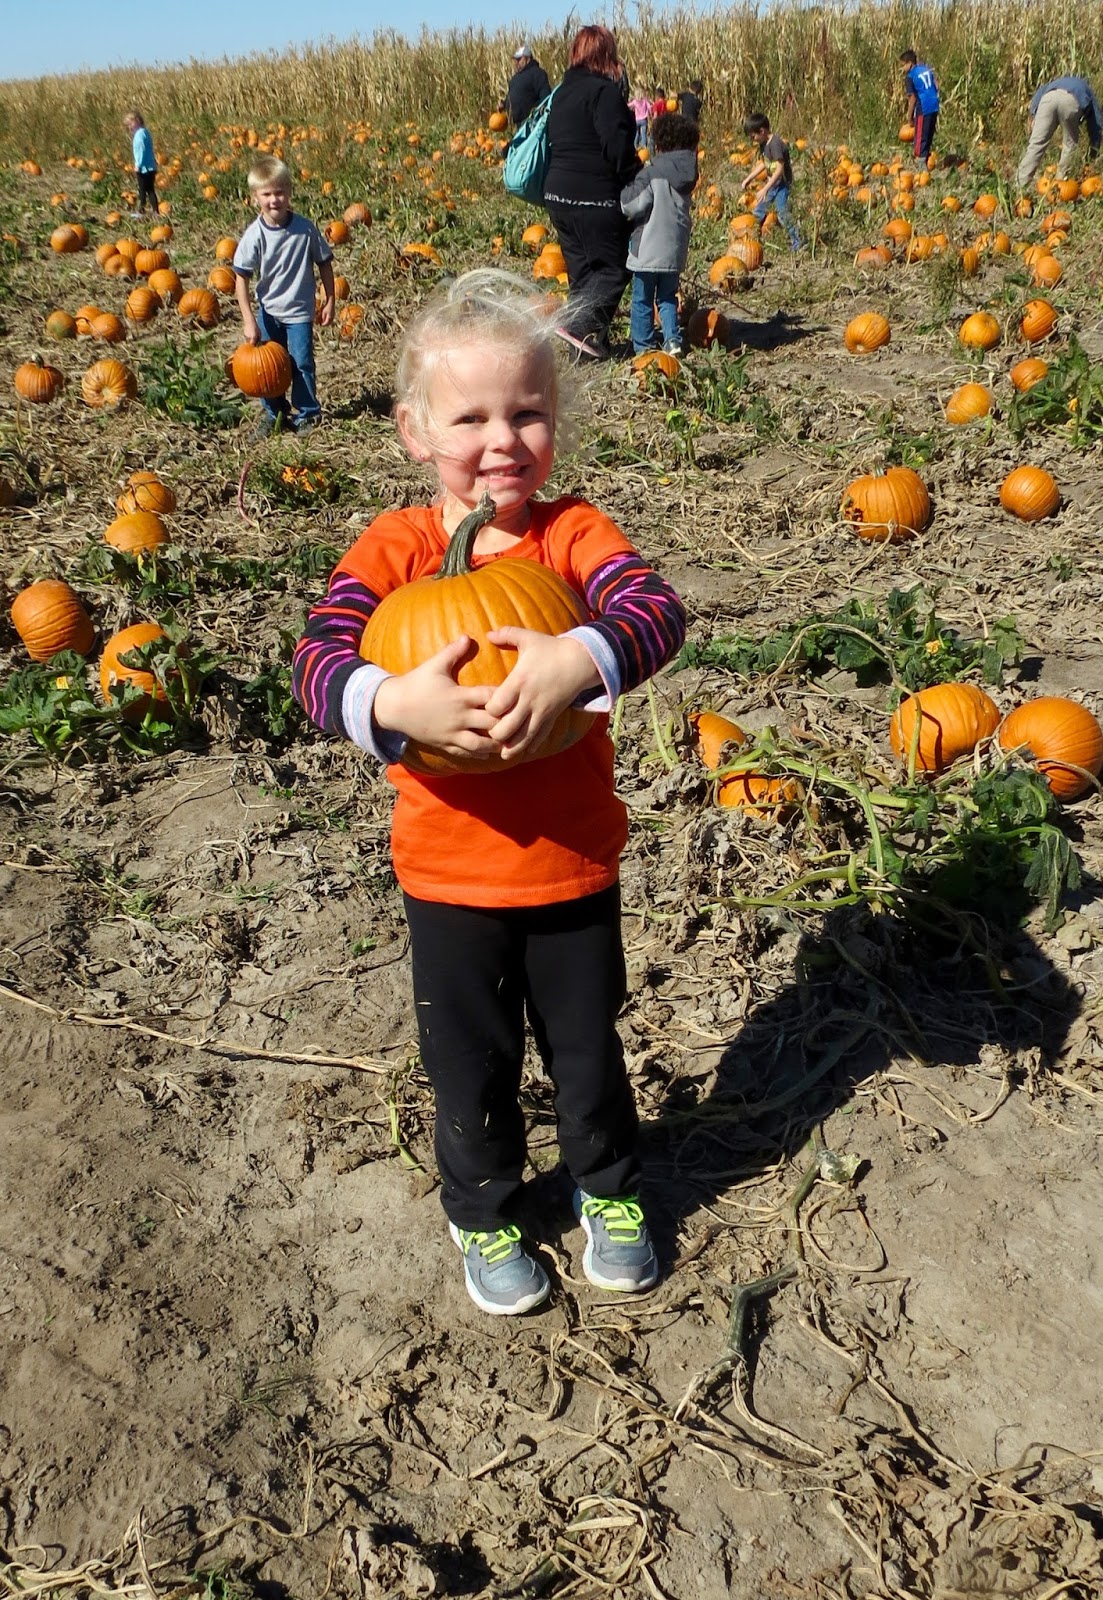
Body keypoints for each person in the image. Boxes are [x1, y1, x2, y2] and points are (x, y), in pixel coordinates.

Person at [291, 270, 686, 1316]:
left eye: (527, 412)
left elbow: (656, 610)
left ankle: (607, 1190)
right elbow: (316, 661)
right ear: (413, 430)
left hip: (569, 863)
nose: (502, 439)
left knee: (587, 1044)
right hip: (449, 878)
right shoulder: (394, 552)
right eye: (470, 416)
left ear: (555, 423)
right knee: (468, 1061)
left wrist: (580, 659)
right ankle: (484, 1211)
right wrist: (391, 705)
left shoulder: (572, 537)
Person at [543, 25, 639, 359]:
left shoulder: (561, 93)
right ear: (606, 55)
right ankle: (578, 326)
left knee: (583, 274)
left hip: (557, 195)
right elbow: (617, 147)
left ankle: (580, 352)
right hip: (593, 196)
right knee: (615, 268)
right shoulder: (604, 93)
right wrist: (636, 177)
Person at [232, 156, 336, 437]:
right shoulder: (254, 235)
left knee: (301, 363)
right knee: (266, 370)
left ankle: (308, 414)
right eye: (267, 194)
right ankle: (274, 413)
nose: (274, 200)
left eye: (280, 192)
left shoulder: (305, 229)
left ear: (289, 192)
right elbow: (241, 277)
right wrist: (248, 319)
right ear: (256, 198)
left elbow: (324, 263)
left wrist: (329, 300)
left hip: (300, 312)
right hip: (269, 312)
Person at [621, 112, 699, 356]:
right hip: (673, 250)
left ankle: (643, 347)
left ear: (660, 143)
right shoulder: (688, 173)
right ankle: (672, 340)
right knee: (667, 297)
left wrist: (626, 189)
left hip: (648, 248)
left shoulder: (652, 173)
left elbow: (631, 205)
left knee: (642, 299)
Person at [1017, 74, 1101, 189]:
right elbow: (1096, 125)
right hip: (1071, 101)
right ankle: (1060, 186)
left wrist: (1033, 113)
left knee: (1036, 144)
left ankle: (1020, 185)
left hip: (1048, 98)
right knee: (1070, 145)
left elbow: (1039, 93)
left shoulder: (1056, 82)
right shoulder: (1087, 90)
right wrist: (1093, 153)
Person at [741, 112, 801, 251]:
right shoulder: (763, 143)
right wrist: (749, 178)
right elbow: (764, 163)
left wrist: (765, 188)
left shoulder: (775, 144)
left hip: (781, 185)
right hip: (772, 184)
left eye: (753, 136)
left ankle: (798, 240)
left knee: (782, 213)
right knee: (759, 210)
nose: (752, 140)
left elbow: (779, 169)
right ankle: (753, 238)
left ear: (762, 131)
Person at [900, 50, 939, 166]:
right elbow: (936, 85)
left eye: (903, 65)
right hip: (934, 105)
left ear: (910, 63)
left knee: (920, 137)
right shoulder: (926, 69)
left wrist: (910, 116)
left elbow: (912, 98)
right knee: (928, 135)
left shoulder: (910, 77)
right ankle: (926, 162)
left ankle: (921, 166)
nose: (902, 69)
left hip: (924, 107)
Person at [502, 42, 551, 127]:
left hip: (531, 122)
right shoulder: (516, 78)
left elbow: (545, 93)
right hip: (518, 123)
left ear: (527, 59)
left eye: (519, 59)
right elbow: (511, 96)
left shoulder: (537, 74)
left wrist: (543, 107)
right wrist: (504, 104)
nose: (516, 62)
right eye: (515, 60)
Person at [124, 111, 158, 217]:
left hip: (143, 167)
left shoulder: (140, 134)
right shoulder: (145, 132)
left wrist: (138, 164)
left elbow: (141, 150)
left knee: (142, 190)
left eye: (131, 123)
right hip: (151, 166)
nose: (129, 126)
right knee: (150, 190)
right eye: (128, 125)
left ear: (137, 121)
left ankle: (141, 211)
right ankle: (156, 212)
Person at [628, 85, 651, 149]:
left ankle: (635, 145)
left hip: (637, 120)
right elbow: (649, 107)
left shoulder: (635, 101)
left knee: (637, 133)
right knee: (643, 134)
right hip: (644, 120)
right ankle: (644, 146)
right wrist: (650, 113)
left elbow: (628, 105)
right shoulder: (645, 101)